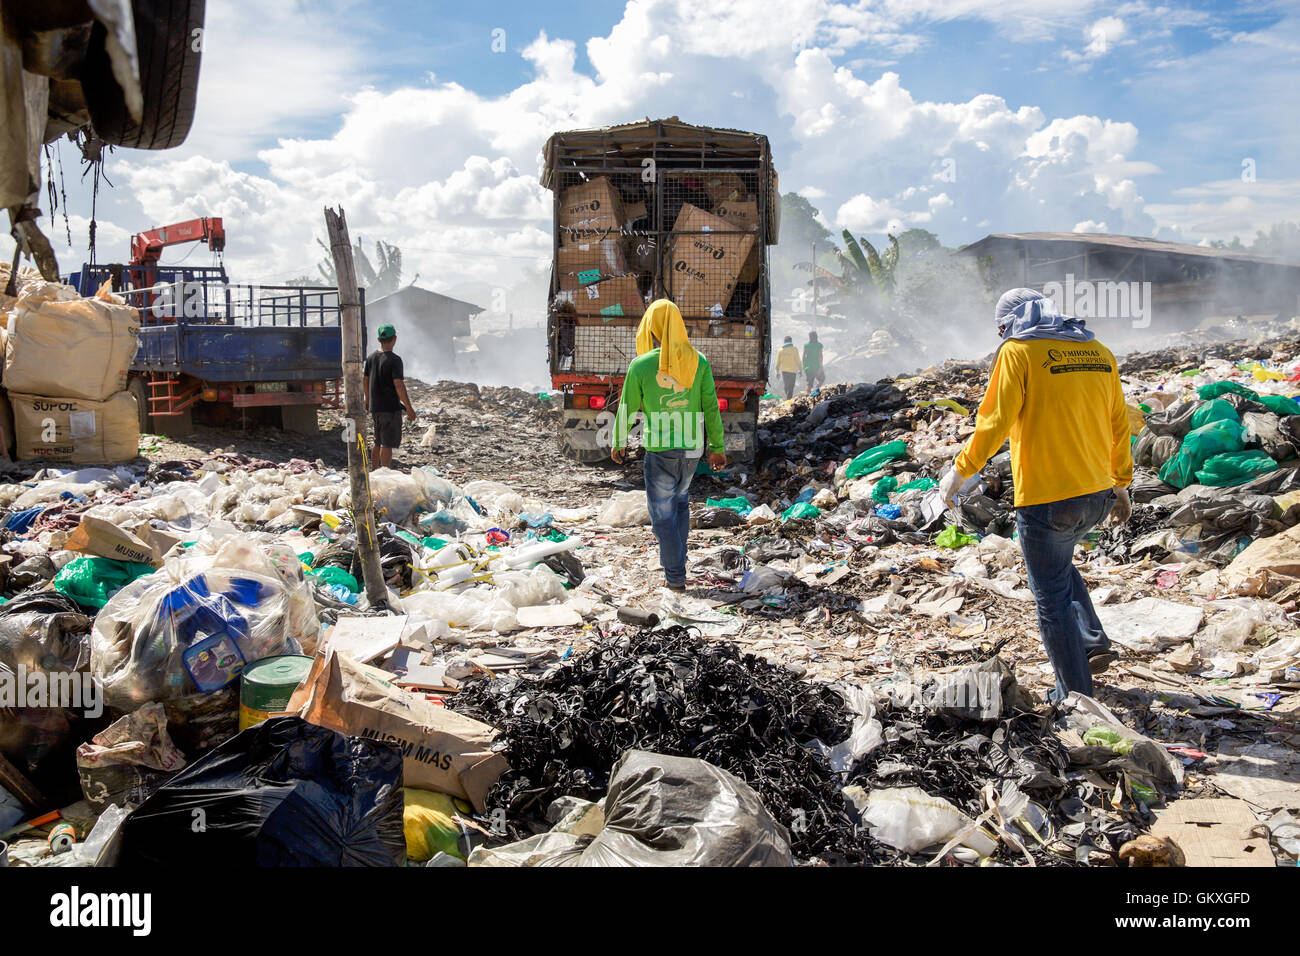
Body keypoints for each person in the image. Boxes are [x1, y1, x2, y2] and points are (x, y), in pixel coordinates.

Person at [939, 288, 1132, 704]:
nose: (1002, 335)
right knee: (1057, 565)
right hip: (1096, 495)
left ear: (1011, 322)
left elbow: (993, 423)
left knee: (1050, 598)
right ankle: (1092, 638)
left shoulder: (1018, 352)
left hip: (1048, 499)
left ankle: (1075, 697)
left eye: (1001, 328)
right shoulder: (1097, 350)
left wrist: (959, 472)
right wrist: (1121, 485)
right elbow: (1120, 424)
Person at [611, 299, 726, 592]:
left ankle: (675, 577)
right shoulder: (698, 361)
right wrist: (717, 446)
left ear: (654, 326)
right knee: (680, 505)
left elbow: (627, 406)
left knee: (662, 516)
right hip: (691, 448)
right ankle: (677, 565)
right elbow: (710, 407)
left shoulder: (641, 365)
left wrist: (619, 440)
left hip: (661, 449)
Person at [363, 323, 416, 470]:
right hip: (390, 408)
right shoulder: (395, 360)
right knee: (387, 444)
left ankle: (374, 470)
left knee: (377, 441)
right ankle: (384, 473)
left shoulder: (371, 358)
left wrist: (368, 400)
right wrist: (409, 408)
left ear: (379, 340)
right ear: (395, 339)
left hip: (375, 407)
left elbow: (365, 380)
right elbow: (398, 384)